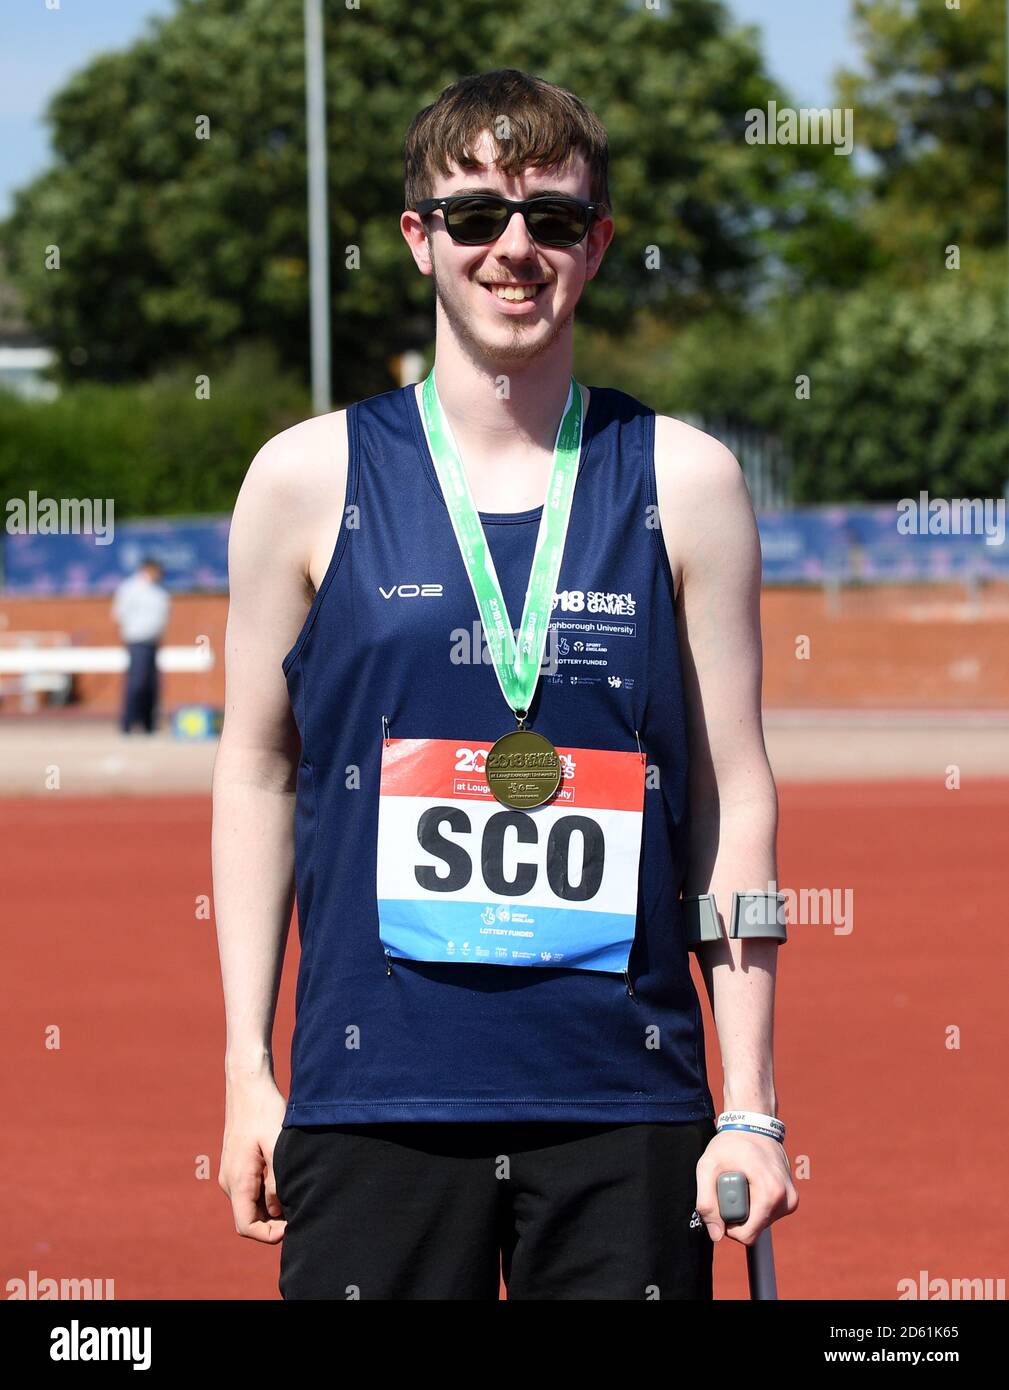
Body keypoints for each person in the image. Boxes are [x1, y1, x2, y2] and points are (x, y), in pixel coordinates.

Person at [214, 68, 797, 1301]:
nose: (512, 249)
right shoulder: (304, 477)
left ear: (598, 244)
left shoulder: (685, 480)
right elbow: (259, 769)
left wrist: (750, 1105)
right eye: (476, 216)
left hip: (622, 1107)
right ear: (420, 237)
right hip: (373, 1101)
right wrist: (247, 1071)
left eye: (553, 219)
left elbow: (733, 796)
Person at [111, 556, 170, 734]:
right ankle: (129, 723)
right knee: (137, 684)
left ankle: (148, 724)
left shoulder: (160, 592)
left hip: (153, 642)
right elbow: (119, 613)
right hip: (137, 642)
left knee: (152, 685)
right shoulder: (130, 588)